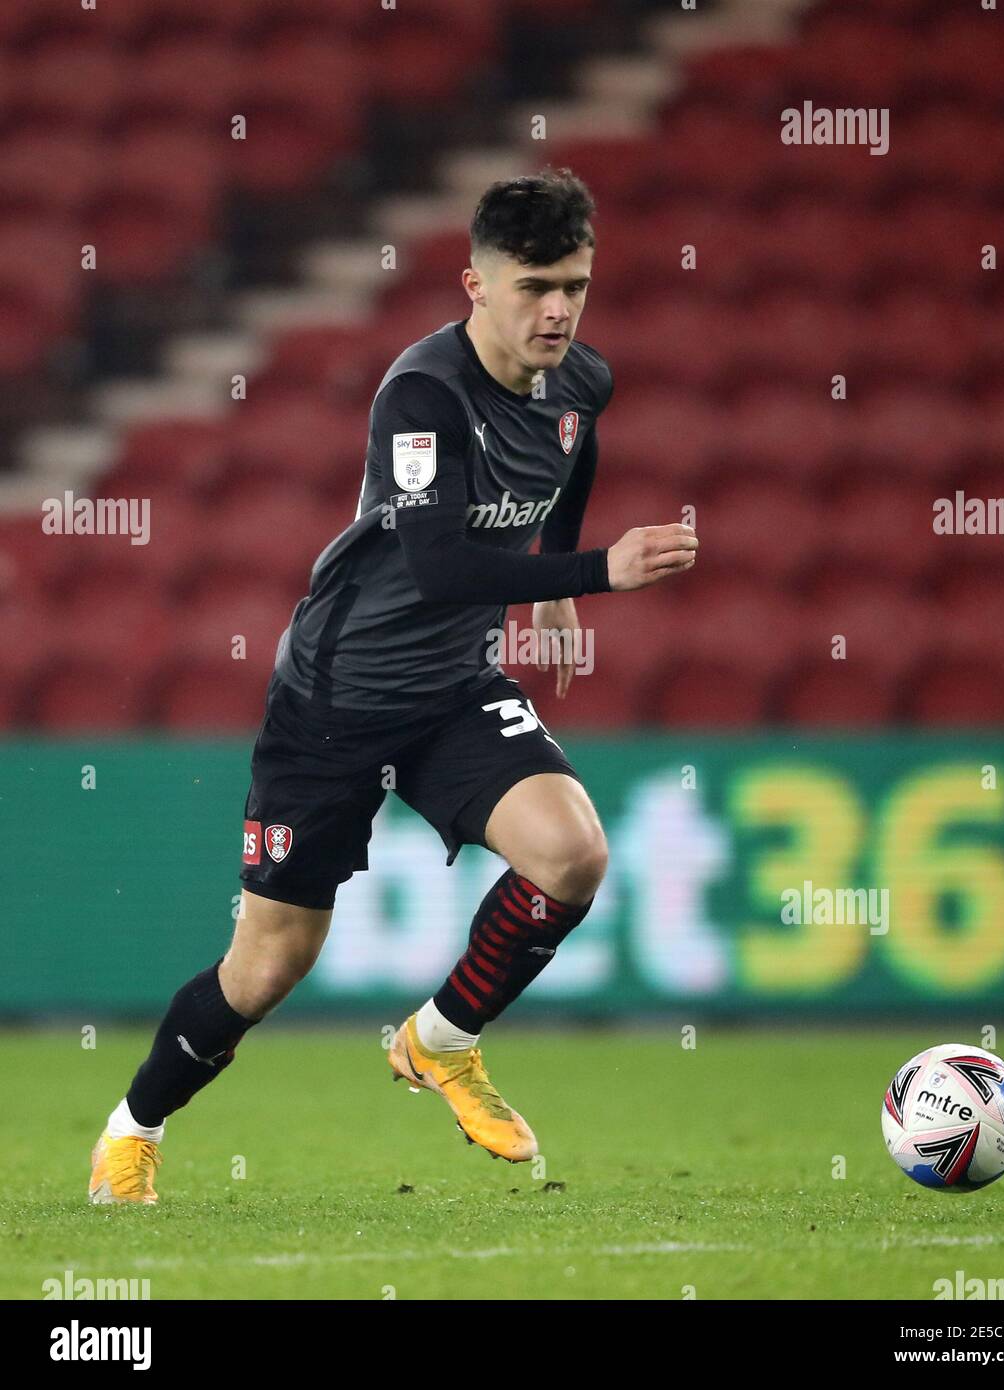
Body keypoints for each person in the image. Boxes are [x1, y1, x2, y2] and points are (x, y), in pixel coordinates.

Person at [89, 167, 698, 1202]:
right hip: (337, 699)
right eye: (534, 286)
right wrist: (597, 568)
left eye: (576, 286)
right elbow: (440, 567)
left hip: (452, 688)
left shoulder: (580, 381)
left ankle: (440, 1038)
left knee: (574, 854)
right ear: (474, 283)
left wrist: (551, 579)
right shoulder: (422, 393)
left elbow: (572, 452)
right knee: (267, 967)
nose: (557, 309)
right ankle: (132, 1128)